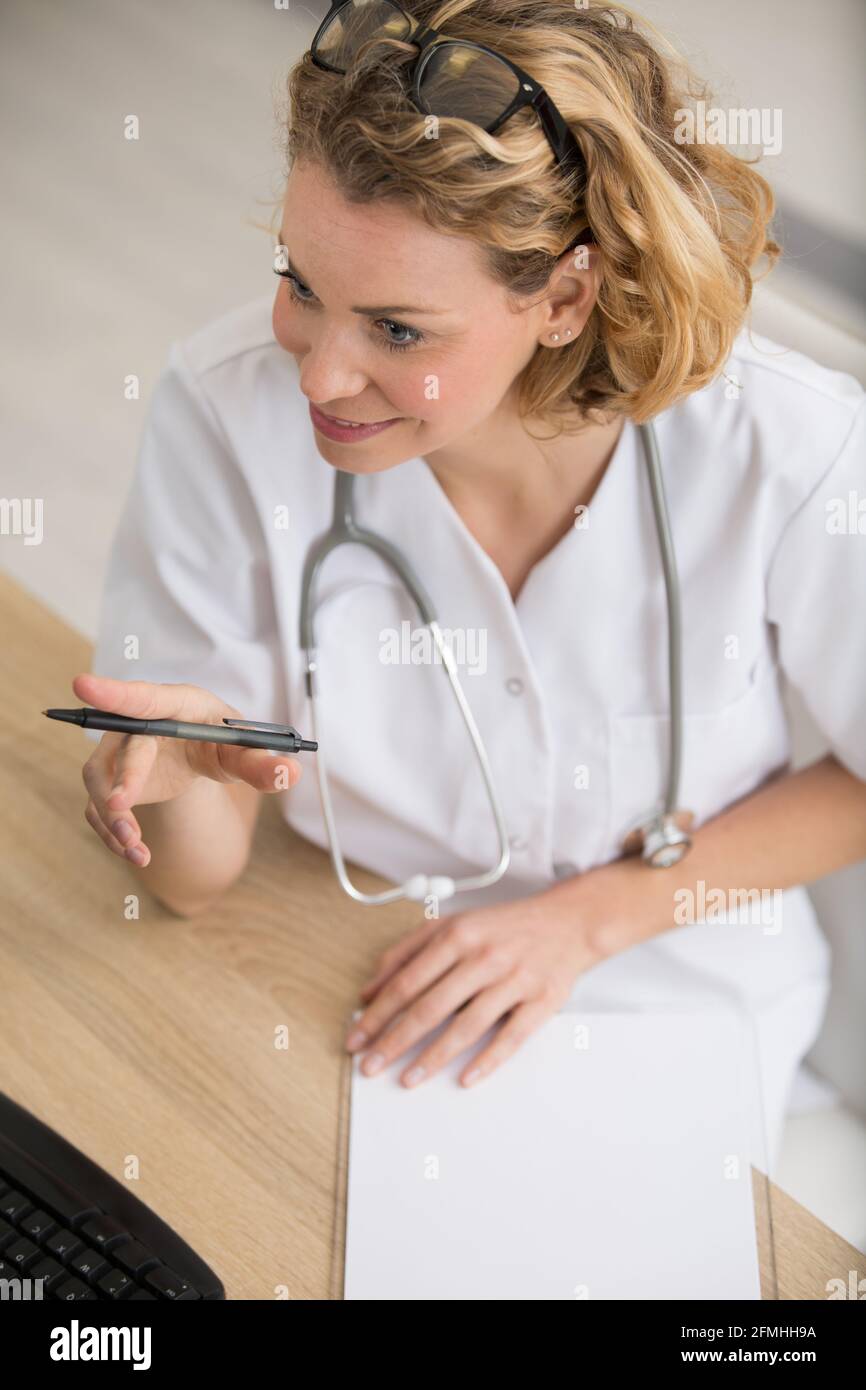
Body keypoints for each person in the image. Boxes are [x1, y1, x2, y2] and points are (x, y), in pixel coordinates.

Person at [78, 0, 866, 1171]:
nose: (322, 372)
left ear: (561, 300)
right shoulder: (220, 406)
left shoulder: (791, 454)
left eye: (397, 329)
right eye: (302, 285)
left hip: (676, 978)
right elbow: (197, 885)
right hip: (343, 958)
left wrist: (586, 919)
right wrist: (181, 770)